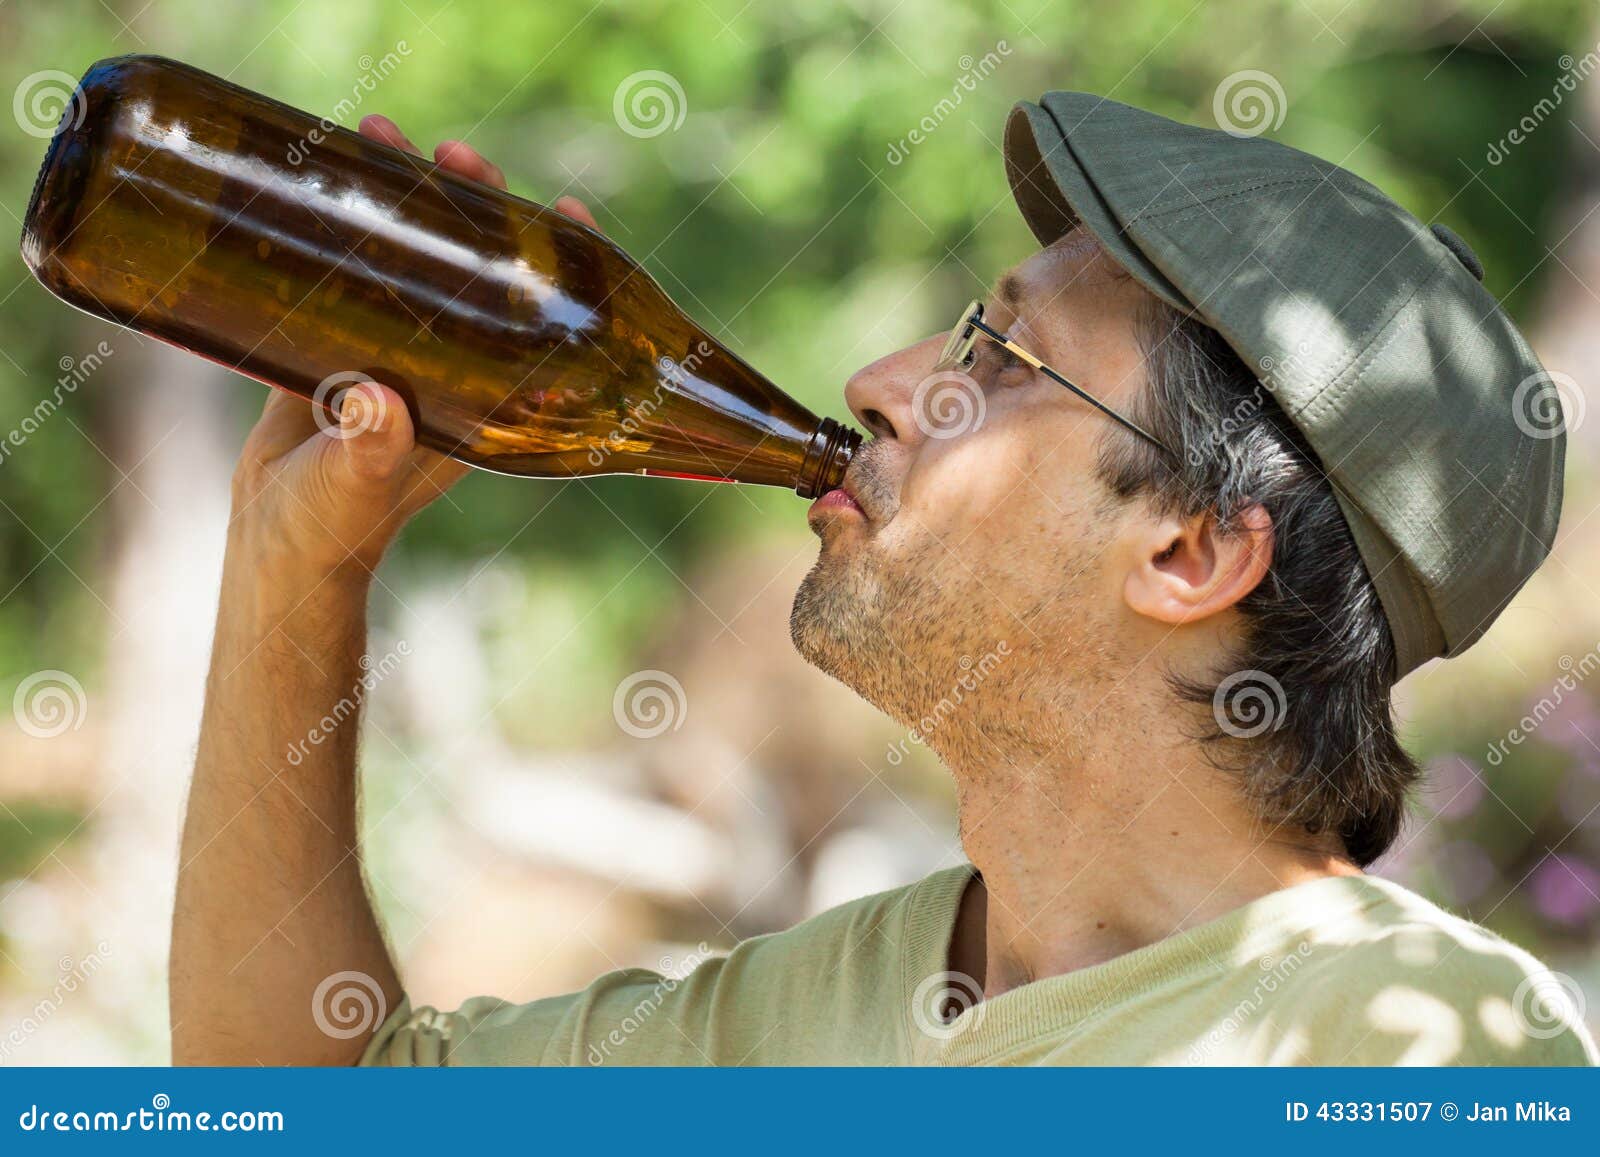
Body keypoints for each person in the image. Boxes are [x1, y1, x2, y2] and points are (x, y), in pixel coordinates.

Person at [170, 93, 1598, 1066]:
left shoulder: (1420, 1043)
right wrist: (301, 561)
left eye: (1000, 358)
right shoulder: (825, 1003)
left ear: (1191, 549)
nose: (880, 382)